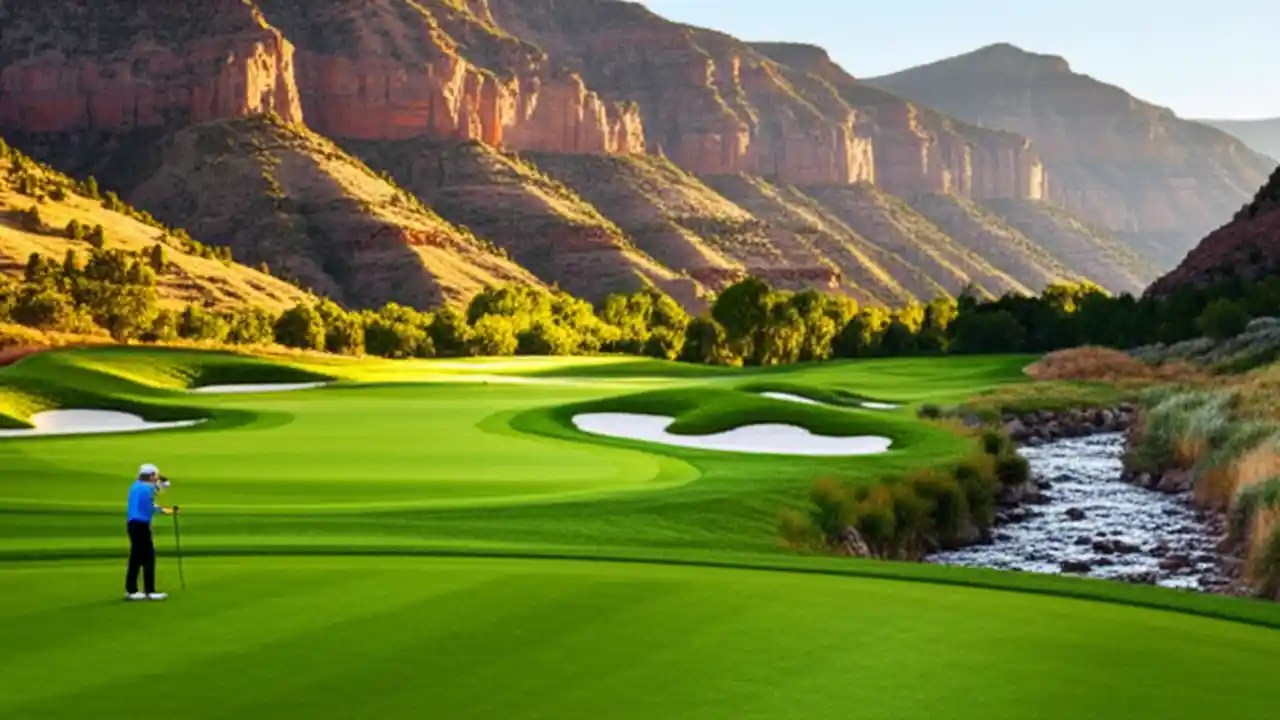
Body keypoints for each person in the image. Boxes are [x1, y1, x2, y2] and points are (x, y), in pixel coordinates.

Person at [125, 463, 175, 601]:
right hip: (141, 525)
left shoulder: (135, 486)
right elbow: (165, 486)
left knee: (135, 558)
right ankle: (149, 591)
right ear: (151, 476)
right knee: (148, 557)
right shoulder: (148, 488)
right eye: (155, 475)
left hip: (132, 524)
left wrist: (163, 510)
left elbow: (158, 492)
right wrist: (164, 510)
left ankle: (132, 590)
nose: (156, 478)